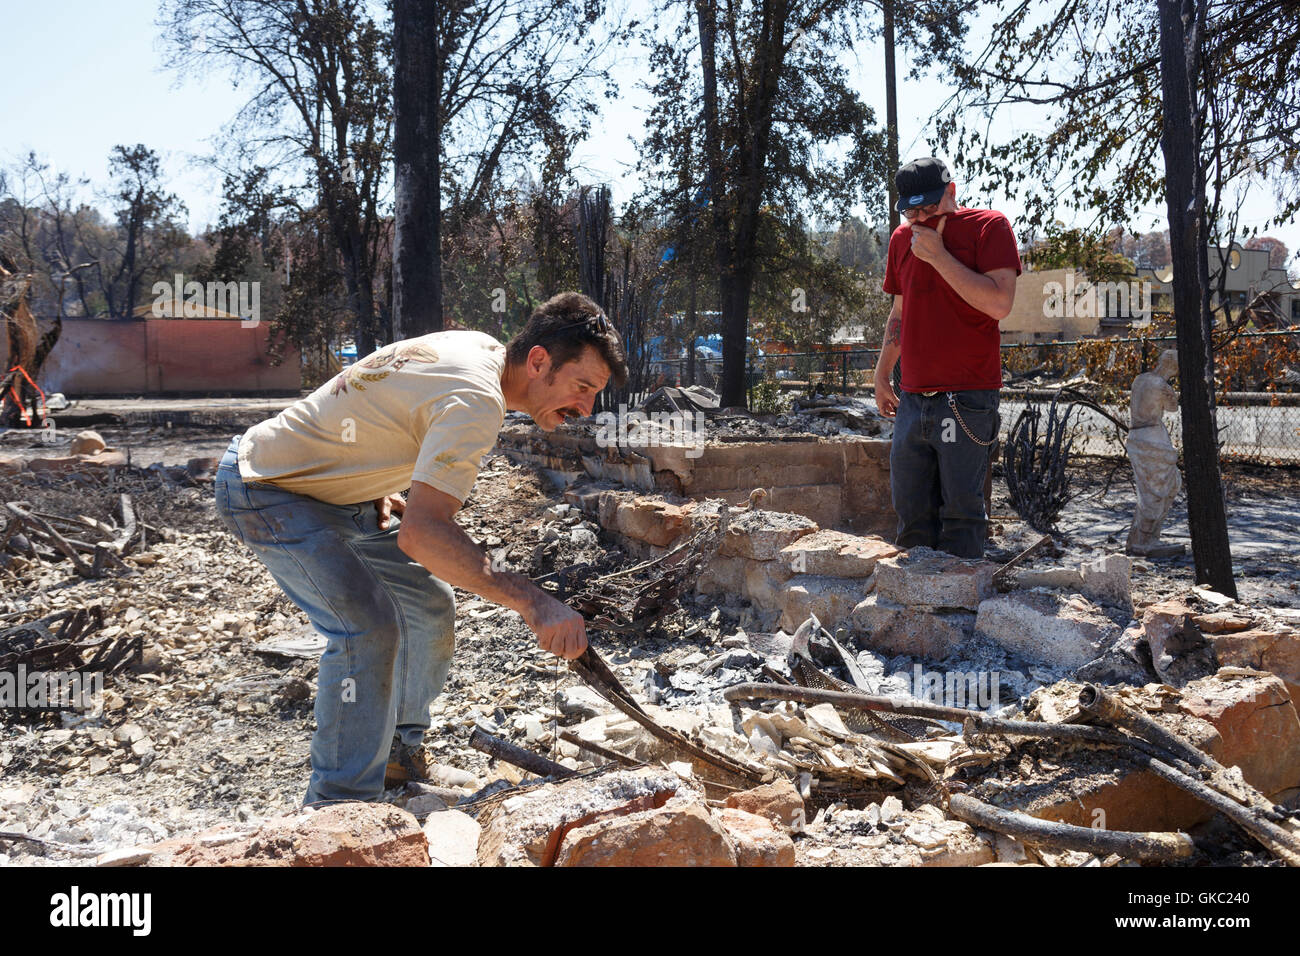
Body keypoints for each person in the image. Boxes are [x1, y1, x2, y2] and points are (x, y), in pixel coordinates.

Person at [214, 292, 628, 804]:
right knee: (367, 627)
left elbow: (381, 401)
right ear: (539, 360)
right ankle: (339, 807)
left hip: (342, 491)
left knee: (428, 606)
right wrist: (534, 601)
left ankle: (395, 755)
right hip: (269, 488)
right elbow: (424, 535)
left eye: (594, 394)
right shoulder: (477, 399)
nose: (585, 408)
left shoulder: (483, 349)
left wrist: (370, 470)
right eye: (582, 387)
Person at [872, 157, 1021, 559]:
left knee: (962, 515)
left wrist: (938, 255)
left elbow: (999, 304)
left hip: (967, 399)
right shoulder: (902, 240)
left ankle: (960, 610)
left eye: (929, 207)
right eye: (912, 210)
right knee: (911, 514)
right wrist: (882, 373)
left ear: (951, 192)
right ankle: (914, 608)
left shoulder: (990, 226)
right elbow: (900, 314)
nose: (920, 218)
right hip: (912, 397)